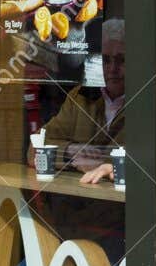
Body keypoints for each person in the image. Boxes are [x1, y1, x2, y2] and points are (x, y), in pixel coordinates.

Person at [43, 17, 125, 186]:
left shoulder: (148, 102)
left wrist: (114, 166)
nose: (112, 69)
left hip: (126, 208)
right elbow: (35, 148)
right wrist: (69, 152)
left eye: (121, 60)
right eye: (106, 60)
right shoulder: (79, 96)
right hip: (75, 203)